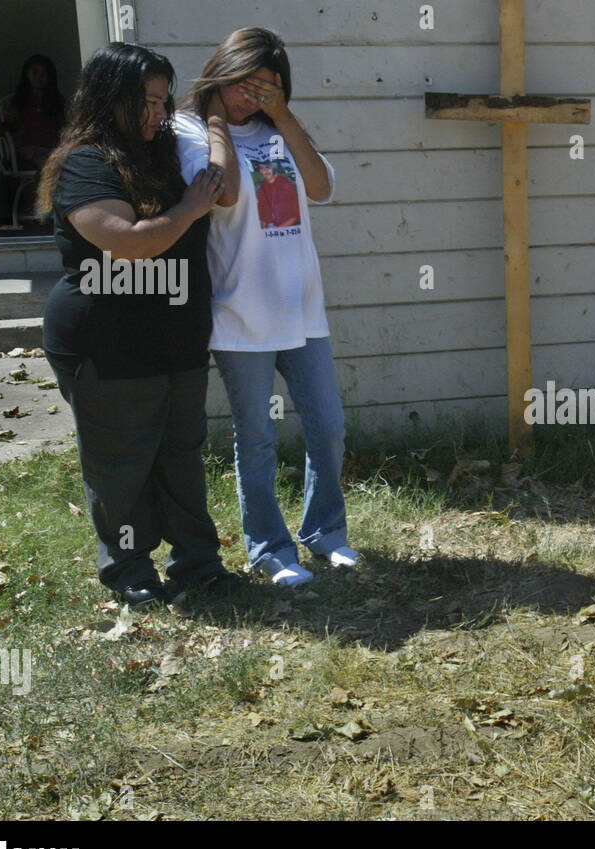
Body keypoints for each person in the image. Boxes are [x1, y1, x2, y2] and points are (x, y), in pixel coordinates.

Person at [37, 42, 240, 606]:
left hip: (176, 337)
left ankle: (198, 565)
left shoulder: (166, 150)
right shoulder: (87, 162)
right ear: (112, 99)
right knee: (123, 463)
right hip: (106, 341)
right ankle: (130, 570)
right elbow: (129, 244)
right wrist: (190, 208)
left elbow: (220, 187)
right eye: (148, 101)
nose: (160, 111)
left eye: (164, 99)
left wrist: (217, 120)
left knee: (181, 455)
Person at [174, 27, 356, 587]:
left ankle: (325, 531)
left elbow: (321, 187)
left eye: (268, 89)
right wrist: (215, 119)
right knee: (256, 438)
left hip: (302, 308)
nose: (253, 98)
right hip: (240, 313)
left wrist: (284, 118)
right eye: (245, 85)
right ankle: (270, 550)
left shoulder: (281, 129)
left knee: (328, 425)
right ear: (221, 74)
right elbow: (224, 193)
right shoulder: (185, 130)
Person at [2, 54, 66, 170]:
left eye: (43, 74)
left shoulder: (55, 100)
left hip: (51, 149)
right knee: (42, 162)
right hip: (28, 150)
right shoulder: (21, 100)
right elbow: (12, 123)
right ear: (27, 74)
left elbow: (62, 125)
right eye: (35, 73)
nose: (38, 77)